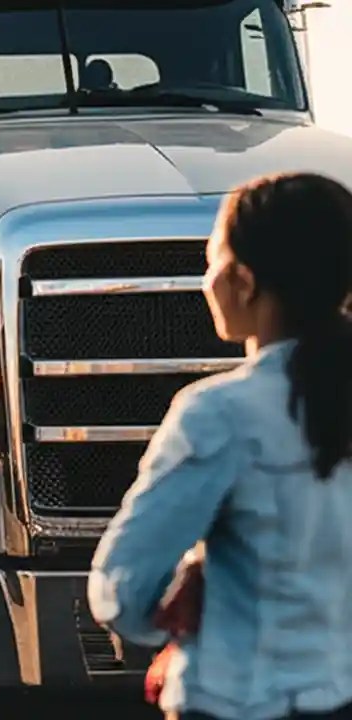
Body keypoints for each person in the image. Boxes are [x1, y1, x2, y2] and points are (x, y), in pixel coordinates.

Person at [89, 172, 352, 720]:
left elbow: (120, 588)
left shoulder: (220, 412)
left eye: (211, 260)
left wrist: (180, 600)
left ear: (244, 281)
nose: (206, 280)